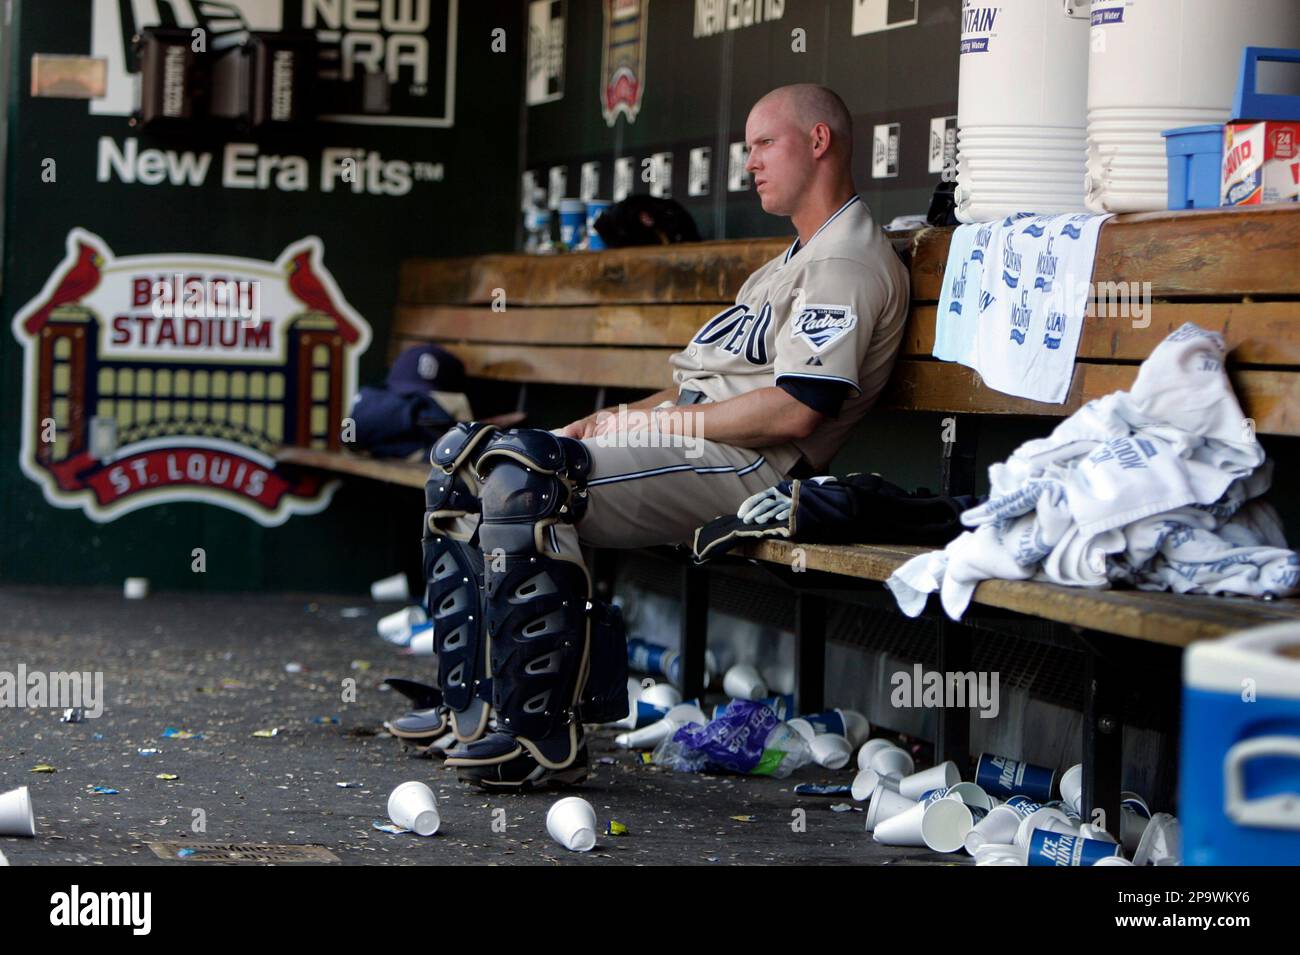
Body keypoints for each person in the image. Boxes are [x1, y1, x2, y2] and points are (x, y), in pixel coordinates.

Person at [398, 84, 910, 790]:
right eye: (748, 147)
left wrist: (648, 423)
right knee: (474, 466)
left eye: (765, 143)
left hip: (752, 470)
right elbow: (695, 386)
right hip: (700, 445)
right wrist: (610, 418)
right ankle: (474, 705)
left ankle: (541, 730)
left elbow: (798, 411)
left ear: (819, 141)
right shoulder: (788, 261)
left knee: (533, 482)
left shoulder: (846, 261)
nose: (750, 162)